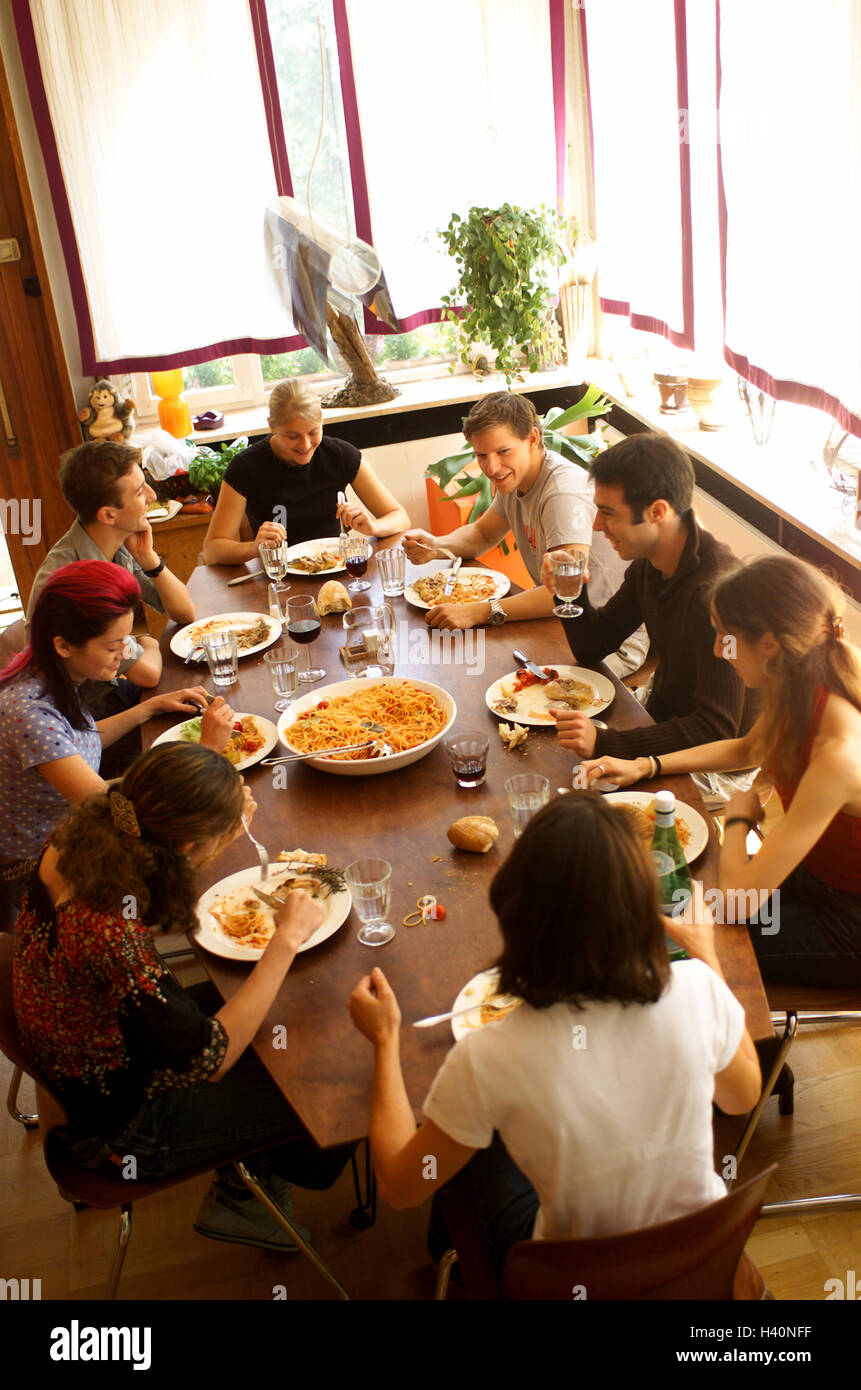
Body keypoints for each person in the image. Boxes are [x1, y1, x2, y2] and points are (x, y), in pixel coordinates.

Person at [349, 792, 760, 1273]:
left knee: (475, 1142)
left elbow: (400, 1186)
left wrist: (384, 1040)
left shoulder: (488, 1055)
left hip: (569, 1276)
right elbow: (742, 1097)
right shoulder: (696, 988)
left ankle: (448, 1256)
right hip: (700, 1260)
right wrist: (707, 960)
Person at [13, 743, 353, 1251]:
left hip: (105, 1053)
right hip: (124, 1130)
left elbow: (160, 866)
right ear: (188, 845)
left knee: (299, 1012)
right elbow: (207, 1056)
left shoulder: (82, 835)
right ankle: (241, 1197)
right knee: (340, 1077)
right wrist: (284, 940)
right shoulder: (105, 931)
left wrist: (210, 818)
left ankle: (252, 1173)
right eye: (216, 839)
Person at [576, 555, 861, 988]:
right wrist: (644, 765)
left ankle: (746, 1050)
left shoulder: (838, 753)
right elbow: (750, 748)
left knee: (676, 948)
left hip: (847, 919)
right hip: (812, 875)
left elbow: (738, 903)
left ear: (769, 644)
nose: (716, 651)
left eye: (726, 639)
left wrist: (739, 817)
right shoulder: (801, 674)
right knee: (664, 908)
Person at [0, 562, 233, 929]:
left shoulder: (55, 676)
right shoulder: (28, 711)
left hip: (77, 835)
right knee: (205, 851)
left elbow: (78, 743)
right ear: (63, 645)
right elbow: (118, 812)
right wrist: (204, 754)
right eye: (113, 645)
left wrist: (149, 707)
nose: (124, 652)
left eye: (127, 638)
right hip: (41, 870)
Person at [541, 432, 753, 762]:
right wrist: (569, 591)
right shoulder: (650, 565)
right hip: (662, 714)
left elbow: (718, 727)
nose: (597, 525)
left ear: (657, 512)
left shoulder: (718, 596)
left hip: (716, 762)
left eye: (608, 513)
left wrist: (610, 745)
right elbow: (593, 646)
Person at [402, 392, 647, 678]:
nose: (491, 467)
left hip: (608, 641)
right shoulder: (516, 477)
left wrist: (478, 611)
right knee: (471, 671)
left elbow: (563, 592)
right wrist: (436, 546)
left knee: (499, 683)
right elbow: (482, 534)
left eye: (503, 452)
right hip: (558, 625)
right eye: (481, 455)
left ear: (532, 439)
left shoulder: (561, 493)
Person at [28, 439, 195, 692]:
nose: (152, 495)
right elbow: (147, 674)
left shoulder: (118, 545)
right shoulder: (74, 579)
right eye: (140, 492)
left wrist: (149, 559)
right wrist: (146, 642)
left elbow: (185, 613)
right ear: (108, 515)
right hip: (82, 712)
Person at [202, 378, 410, 564]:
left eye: (313, 432)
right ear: (271, 426)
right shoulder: (245, 467)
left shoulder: (341, 455)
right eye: (292, 436)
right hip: (278, 576)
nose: (305, 445)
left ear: (322, 421)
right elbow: (212, 550)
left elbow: (400, 517)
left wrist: (373, 527)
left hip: (334, 568)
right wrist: (253, 548)